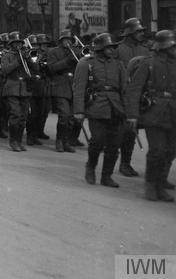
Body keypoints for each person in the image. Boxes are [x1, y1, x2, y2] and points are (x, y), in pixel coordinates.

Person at [125, 30, 176, 202]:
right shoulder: (148, 63)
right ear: (164, 47)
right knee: (157, 150)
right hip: (154, 112)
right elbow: (134, 90)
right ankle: (151, 185)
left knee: (171, 151)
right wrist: (132, 115)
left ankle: (161, 185)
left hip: (173, 112)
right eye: (172, 45)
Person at [73, 33, 126, 188]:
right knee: (97, 141)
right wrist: (79, 111)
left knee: (114, 144)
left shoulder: (118, 64)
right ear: (101, 48)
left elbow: (124, 89)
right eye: (108, 47)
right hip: (96, 106)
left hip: (116, 108)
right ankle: (90, 167)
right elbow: (79, 88)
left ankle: (106, 176)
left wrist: (128, 111)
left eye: (112, 47)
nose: (111, 50)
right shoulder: (86, 63)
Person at [116, 17, 149, 177]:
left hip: (140, 96)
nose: (141, 33)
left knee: (132, 129)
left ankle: (126, 162)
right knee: (125, 131)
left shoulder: (145, 50)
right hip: (121, 95)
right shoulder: (118, 50)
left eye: (142, 31)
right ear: (130, 33)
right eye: (138, 31)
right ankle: (124, 163)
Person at [1, 32, 36, 152]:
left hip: (25, 88)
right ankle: (13, 141)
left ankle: (19, 141)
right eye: (15, 43)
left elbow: (36, 69)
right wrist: (18, 61)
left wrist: (29, 60)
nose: (18, 45)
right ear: (11, 44)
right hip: (12, 87)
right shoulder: (7, 55)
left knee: (23, 116)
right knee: (15, 114)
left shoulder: (26, 55)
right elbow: (5, 70)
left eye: (20, 43)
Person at [45, 30, 78, 153]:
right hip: (60, 86)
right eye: (66, 40)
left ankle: (66, 142)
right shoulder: (53, 52)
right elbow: (52, 68)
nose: (68, 42)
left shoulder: (75, 52)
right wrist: (68, 61)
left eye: (70, 40)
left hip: (73, 86)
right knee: (64, 115)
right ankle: (59, 141)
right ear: (61, 41)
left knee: (71, 118)